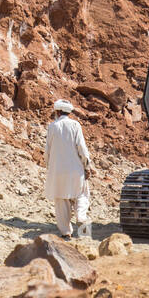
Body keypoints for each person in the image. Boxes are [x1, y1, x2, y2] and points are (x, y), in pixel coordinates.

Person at [44, 99, 92, 239]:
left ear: (57, 112)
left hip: (57, 171)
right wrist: (87, 165)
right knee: (81, 196)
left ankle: (66, 232)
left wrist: (49, 167)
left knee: (61, 201)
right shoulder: (75, 125)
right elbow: (81, 148)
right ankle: (82, 222)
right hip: (76, 169)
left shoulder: (52, 127)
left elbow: (47, 150)